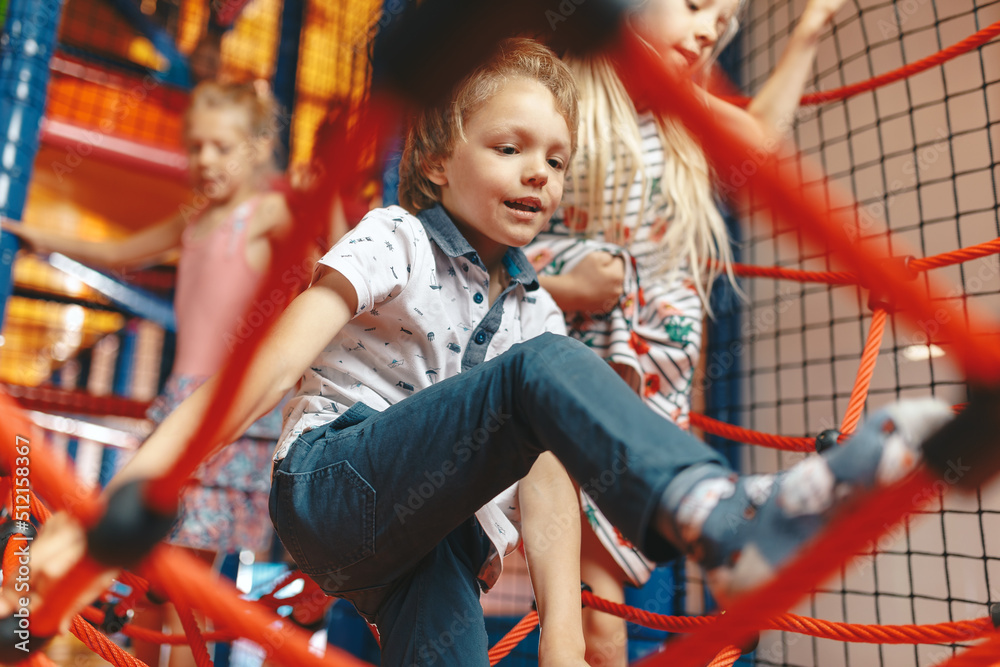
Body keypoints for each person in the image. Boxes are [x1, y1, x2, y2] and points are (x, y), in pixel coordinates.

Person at [2, 38, 950, 667]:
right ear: (440, 156)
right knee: (540, 373)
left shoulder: (534, 308)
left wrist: (568, 649)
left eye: (556, 159)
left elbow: (544, 483)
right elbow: (276, 365)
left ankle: (719, 519)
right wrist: (123, 499)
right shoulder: (395, 238)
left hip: (423, 550)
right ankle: (724, 518)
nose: (538, 172)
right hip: (335, 478)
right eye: (510, 148)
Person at [525, 0, 851, 663]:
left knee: (606, 613)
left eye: (722, 21)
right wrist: (566, 280)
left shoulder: (678, 114)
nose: (709, 29)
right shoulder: (564, 95)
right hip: (576, 379)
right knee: (595, 623)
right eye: (696, 5)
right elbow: (489, 243)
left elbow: (757, 138)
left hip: (655, 386)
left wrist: (809, 29)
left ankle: (735, 519)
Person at [3, 80, 293, 667]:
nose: (204, 160)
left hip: (226, 412)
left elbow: (327, 257)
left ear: (260, 147)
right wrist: (31, 233)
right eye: (195, 147)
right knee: (150, 572)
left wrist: (322, 199)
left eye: (222, 146)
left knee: (185, 578)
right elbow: (120, 253)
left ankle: (56, 619)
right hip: (177, 406)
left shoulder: (267, 212)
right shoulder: (195, 221)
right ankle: (97, 641)